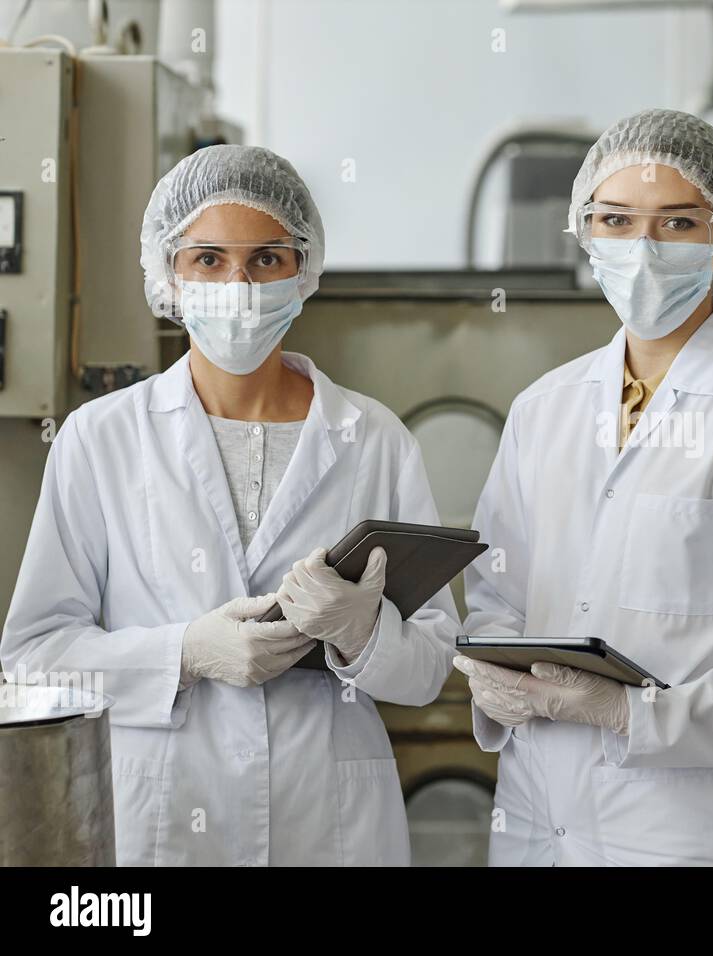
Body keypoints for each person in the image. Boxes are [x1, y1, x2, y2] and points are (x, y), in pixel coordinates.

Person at [0, 145, 460, 865]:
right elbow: (33, 661)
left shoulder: (373, 438)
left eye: (266, 260)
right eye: (208, 260)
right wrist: (182, 654)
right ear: (168, 275)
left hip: (329, 821)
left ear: (303, 271)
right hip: (165, 816)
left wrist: (360, 636)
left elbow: (431, 664)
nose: (239, 286)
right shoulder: (101, 438)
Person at [454, 108, 713, 866]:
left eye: (676, 223)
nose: (641, 250)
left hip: (675, 830)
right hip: (535, 814)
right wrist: (497, 674)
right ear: (584, 232)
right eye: (616, 220)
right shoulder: (545, 408)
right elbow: (496, 596)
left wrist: (636, 715)